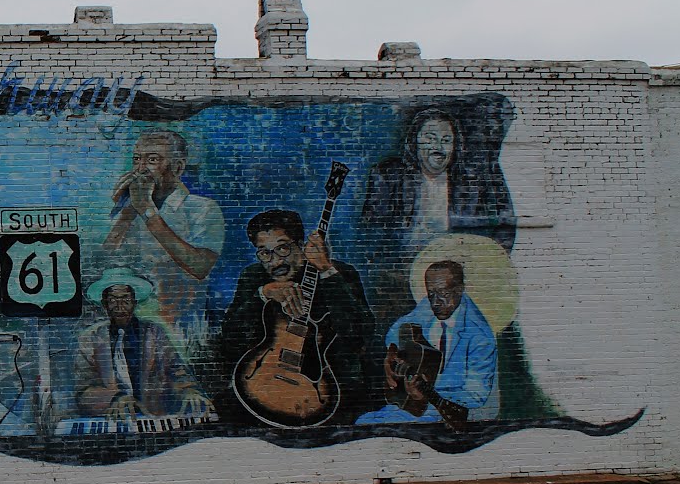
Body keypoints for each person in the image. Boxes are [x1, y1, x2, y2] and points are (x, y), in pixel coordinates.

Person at [218, 209, 376, 424]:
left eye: (282, 248)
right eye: (264, 253)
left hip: (329, 390)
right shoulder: (253, 277)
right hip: (263, 385)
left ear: (301, 245)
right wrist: (263, 295)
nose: (274, 262)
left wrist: (326, 271)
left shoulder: (340, 273)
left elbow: (359, 335)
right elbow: (229, 342)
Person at [102, 131, 224, 329]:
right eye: (136, 160)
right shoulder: (132, 209)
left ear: (178, 167)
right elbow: (105, 258)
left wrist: (147, 211)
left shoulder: (201, 208)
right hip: (135, 320)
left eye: (152, 159)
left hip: (183, 320)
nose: (140, 169)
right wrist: (127, 212)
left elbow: (200, 266)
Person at [357, 260, 499, 427]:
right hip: (416, 405)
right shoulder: (429, 304)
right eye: (431, 293)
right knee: (364, 422)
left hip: (450, 415)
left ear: (459, 290)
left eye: (444, 294)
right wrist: (392, 353)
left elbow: (475, 396)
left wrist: (428, 393)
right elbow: (396, 331)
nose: (436, 302)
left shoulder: (480, 338)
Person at [74, 269, 214, 430]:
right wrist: (115, 398)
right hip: (114, 422)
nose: (119, 305)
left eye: (125, 298)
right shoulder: (90, 338)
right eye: (113, 300)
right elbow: (83, 391)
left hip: (155, 420)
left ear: (135, 301)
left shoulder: (154, 333)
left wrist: (189, 391)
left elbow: (176, 370)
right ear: (105, 304)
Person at [361, 108, 515, 252]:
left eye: (446, 140)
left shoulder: (471, 185)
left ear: (455, 146)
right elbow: (372, 233)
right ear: (415, 142)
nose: (438, 147)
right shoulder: (389, 177)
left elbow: (505, 224)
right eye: (430, 138)